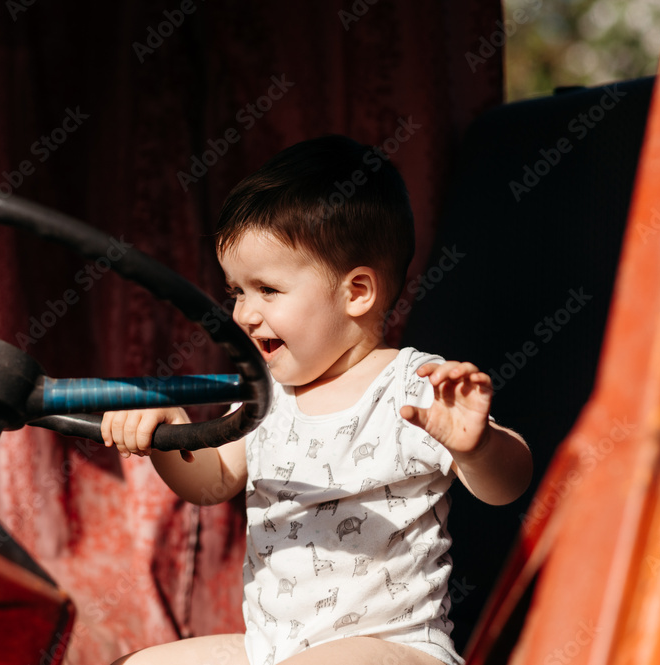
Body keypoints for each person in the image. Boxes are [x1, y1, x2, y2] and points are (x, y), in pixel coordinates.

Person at [101, 135, 532, 665]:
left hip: (395, 649)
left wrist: (479, 446)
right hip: (273, 651)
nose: (243, 314)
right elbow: (211, 480)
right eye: (237, 291)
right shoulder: (269, 396)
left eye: (267, 290)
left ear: (356, 293)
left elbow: (509, 485)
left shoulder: (410, 385)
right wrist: (167, 434)